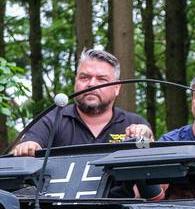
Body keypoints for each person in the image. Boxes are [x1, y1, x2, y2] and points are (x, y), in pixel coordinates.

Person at [11, 48, 153, 155]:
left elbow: (154, 178)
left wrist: (146, 141)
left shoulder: (133, 123)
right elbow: (25, 148)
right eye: (84, 77)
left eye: (102, 79)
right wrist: (27, 147)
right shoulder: (53, 119)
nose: (91, 84)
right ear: (76, 82)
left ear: (116, 88)